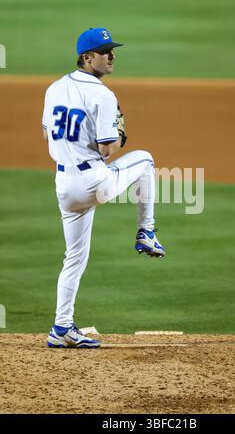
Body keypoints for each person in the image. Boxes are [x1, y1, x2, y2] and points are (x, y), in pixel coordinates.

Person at [42, 27, 165, 349]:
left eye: (112, 50)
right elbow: (109, 149)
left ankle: (61, 328)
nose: (111, 55)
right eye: (104, 51)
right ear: (87, 57)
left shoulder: (54, 88)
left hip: (64, 186)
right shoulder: (102, 94)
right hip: (93, 181)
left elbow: (47, 138)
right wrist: (121, 136)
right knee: (145, 160)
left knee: (74, 258)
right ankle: (146, 232)